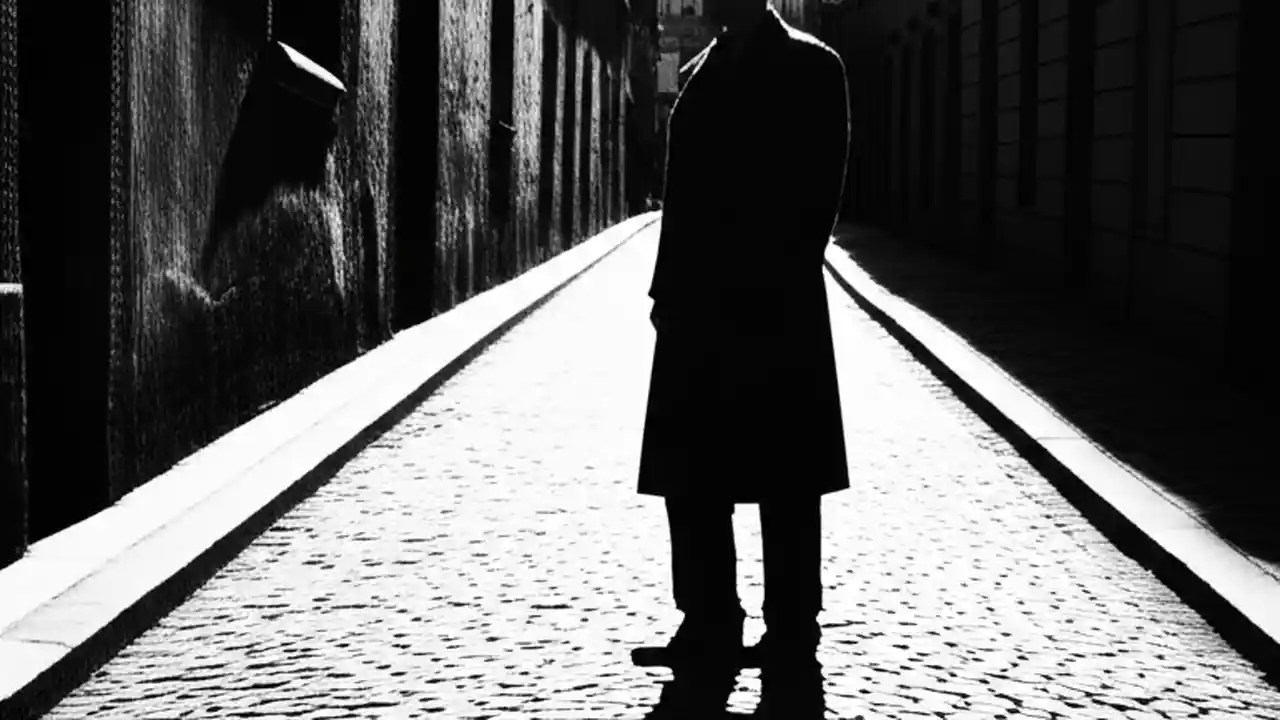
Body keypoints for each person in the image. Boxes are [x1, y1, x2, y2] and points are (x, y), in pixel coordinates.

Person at [633, 0, 852, 673]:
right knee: (694, 476)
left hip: (773, 301)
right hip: (697, 304)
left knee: (786, 474)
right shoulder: (700, 71)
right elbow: (682, 200)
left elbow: (822, 188)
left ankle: (791, 626)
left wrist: (776, 274)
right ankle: (707, 621)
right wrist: (666, 292)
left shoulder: (813, 67)